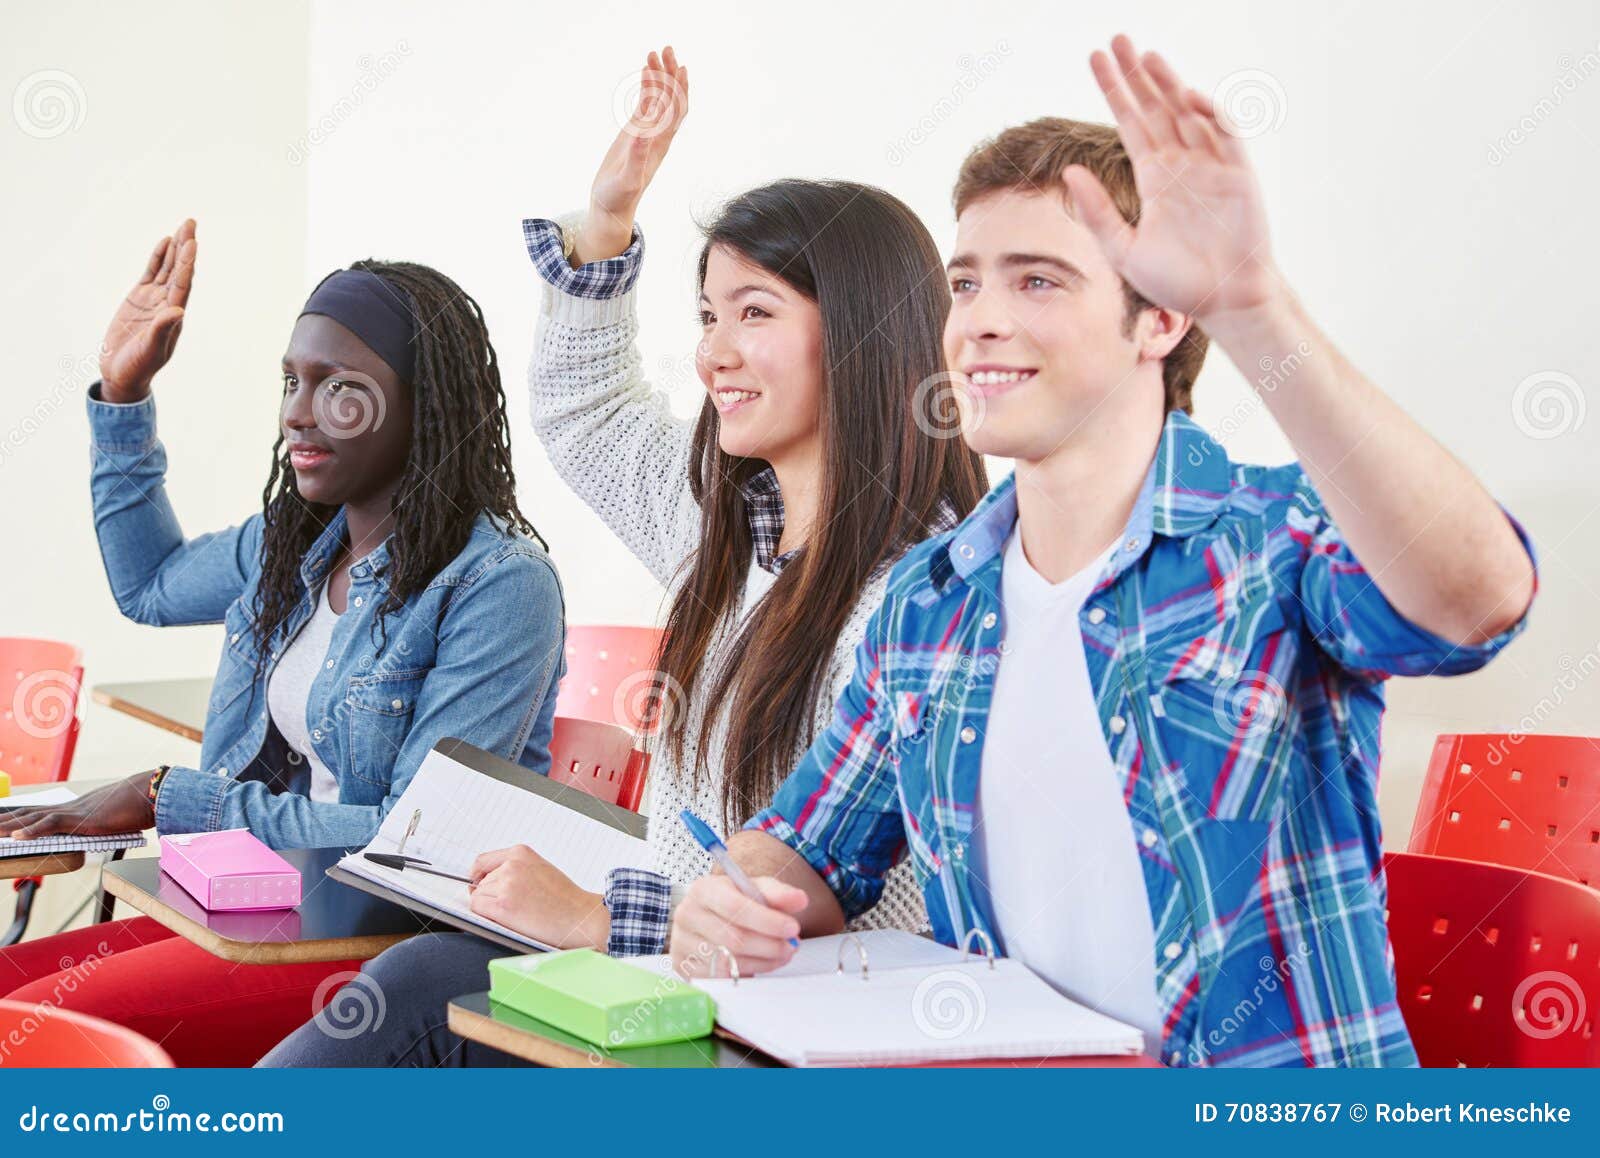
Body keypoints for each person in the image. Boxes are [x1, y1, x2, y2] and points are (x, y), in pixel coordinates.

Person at [668, 36, 1538, 1068]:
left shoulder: (1270, 541)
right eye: (966, 283)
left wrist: (1253, 303)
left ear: (1158, 316)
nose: (981, 321)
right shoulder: (927, 603)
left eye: (1036, 282)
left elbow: (1476, 600)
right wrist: (730, 897)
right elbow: (810, 848)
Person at [260, 46, 987, 1067]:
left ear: (863, 339)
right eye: (705, 315)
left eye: (754, 313)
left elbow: (867, 933)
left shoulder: (919, 603)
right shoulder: (726, 535)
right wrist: (605, 224)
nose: (712, 353)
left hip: (763, 1040)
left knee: (417, 992)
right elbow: (586, 408)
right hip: (666, 994)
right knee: (417, 976)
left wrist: (597, 921)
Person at [0, 219, 566, 1066]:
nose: (298, 414)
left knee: (29, 1035)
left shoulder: (499, 585)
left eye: (339, 387)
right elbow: (148, 584)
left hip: (366, 947)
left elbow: (408, 843)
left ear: (425, 403)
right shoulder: (293, 543)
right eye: (291, 381)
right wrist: (123, 397)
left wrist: (167, 796)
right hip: (249, 914)